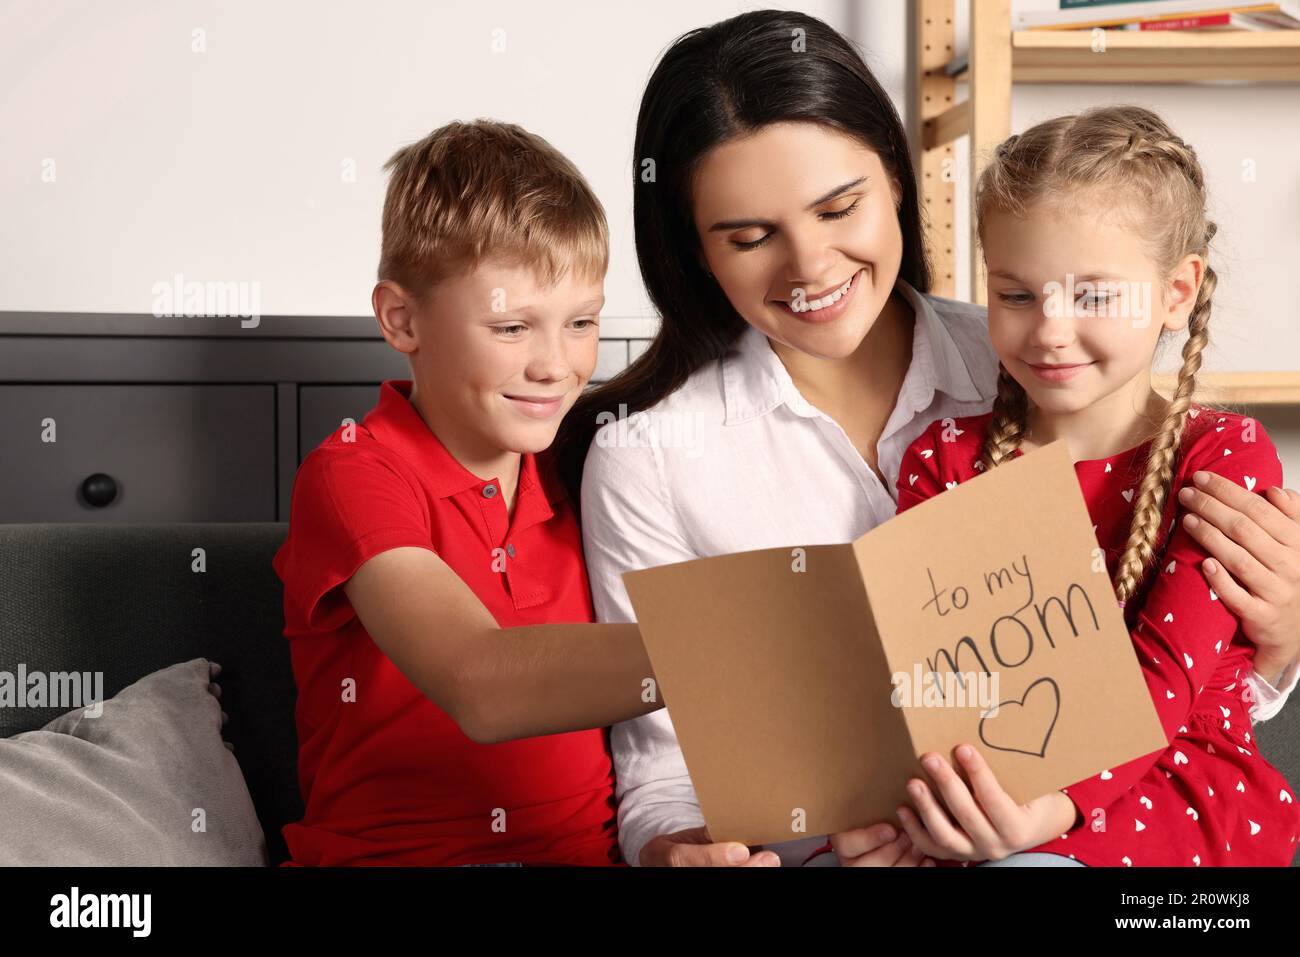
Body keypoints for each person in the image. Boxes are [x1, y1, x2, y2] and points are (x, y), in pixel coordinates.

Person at [553, 9, 1300, 868]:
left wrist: (1280, 634)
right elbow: (664, 774)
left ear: (899, 182)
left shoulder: (1032, 358)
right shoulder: (647, 456)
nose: (810, 267)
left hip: (1125, 827)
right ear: (696, 251)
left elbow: (1188, 691)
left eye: (840, 207)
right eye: (750, 237)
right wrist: (678, 849)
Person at [884, 105, 1300, 868]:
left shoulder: (1221, 454)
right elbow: (926, 681)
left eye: (1095, 297)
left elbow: (1165, 677)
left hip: (1172, 788)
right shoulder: (942, 456)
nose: (1049, 329)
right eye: (1016, 294)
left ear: (1177, 292)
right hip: (996, 781)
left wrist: (1051, 810)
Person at [272, 120, 659, 866]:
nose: (556, 364)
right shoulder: (353, 472)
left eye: (582, 322)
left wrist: (663, 840)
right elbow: (480, 682)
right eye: (512, 326)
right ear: (402, 318)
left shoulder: (590, 464)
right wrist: (734, 652)